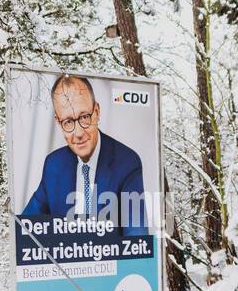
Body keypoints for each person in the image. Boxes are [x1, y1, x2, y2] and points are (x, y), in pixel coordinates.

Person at [24, 74, 146, 230]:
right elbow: (25, 228)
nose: (79, 132)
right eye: (68, 122)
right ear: (58, 123)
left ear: (96, 111)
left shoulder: (127, 163)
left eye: (84, 117)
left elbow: (137, 241)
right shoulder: (53, 165)